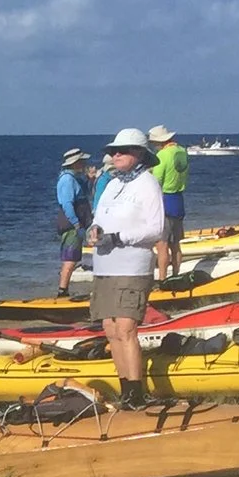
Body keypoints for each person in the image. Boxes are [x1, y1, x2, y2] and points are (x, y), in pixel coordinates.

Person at [88, 128, 166, 410]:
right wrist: (94, 230)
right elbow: (98, 217)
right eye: (113, 150)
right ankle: (125, 389)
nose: (115, 154)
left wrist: (119, 237)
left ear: (140, 154)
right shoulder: (112, 183)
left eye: (122, 150)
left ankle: (137, 391)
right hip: (104, 264)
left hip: (131, 266)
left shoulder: (148, 184)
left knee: (126, 327)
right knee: (110, 328)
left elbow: (155, 229)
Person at [146, 125, 190, 284]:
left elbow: (156, 181)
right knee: (176, 244)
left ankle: (163, 279)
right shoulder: (182, 152)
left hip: (164, 199)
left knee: (162, 244)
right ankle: (176, 273)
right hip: (179, 199)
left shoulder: (162, 155)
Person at [52, 148, 94, 297]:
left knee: (73, 257)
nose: (85, 164)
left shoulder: (75, 178)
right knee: (70, 258)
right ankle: (62, 291)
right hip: (72, 224)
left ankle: (64, 289)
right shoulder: (67, 180)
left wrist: (90, 179)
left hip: (77, 222)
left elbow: (86, 193)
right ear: (75, 163)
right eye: (82, 162)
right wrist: (76, 224)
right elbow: (67, 204)